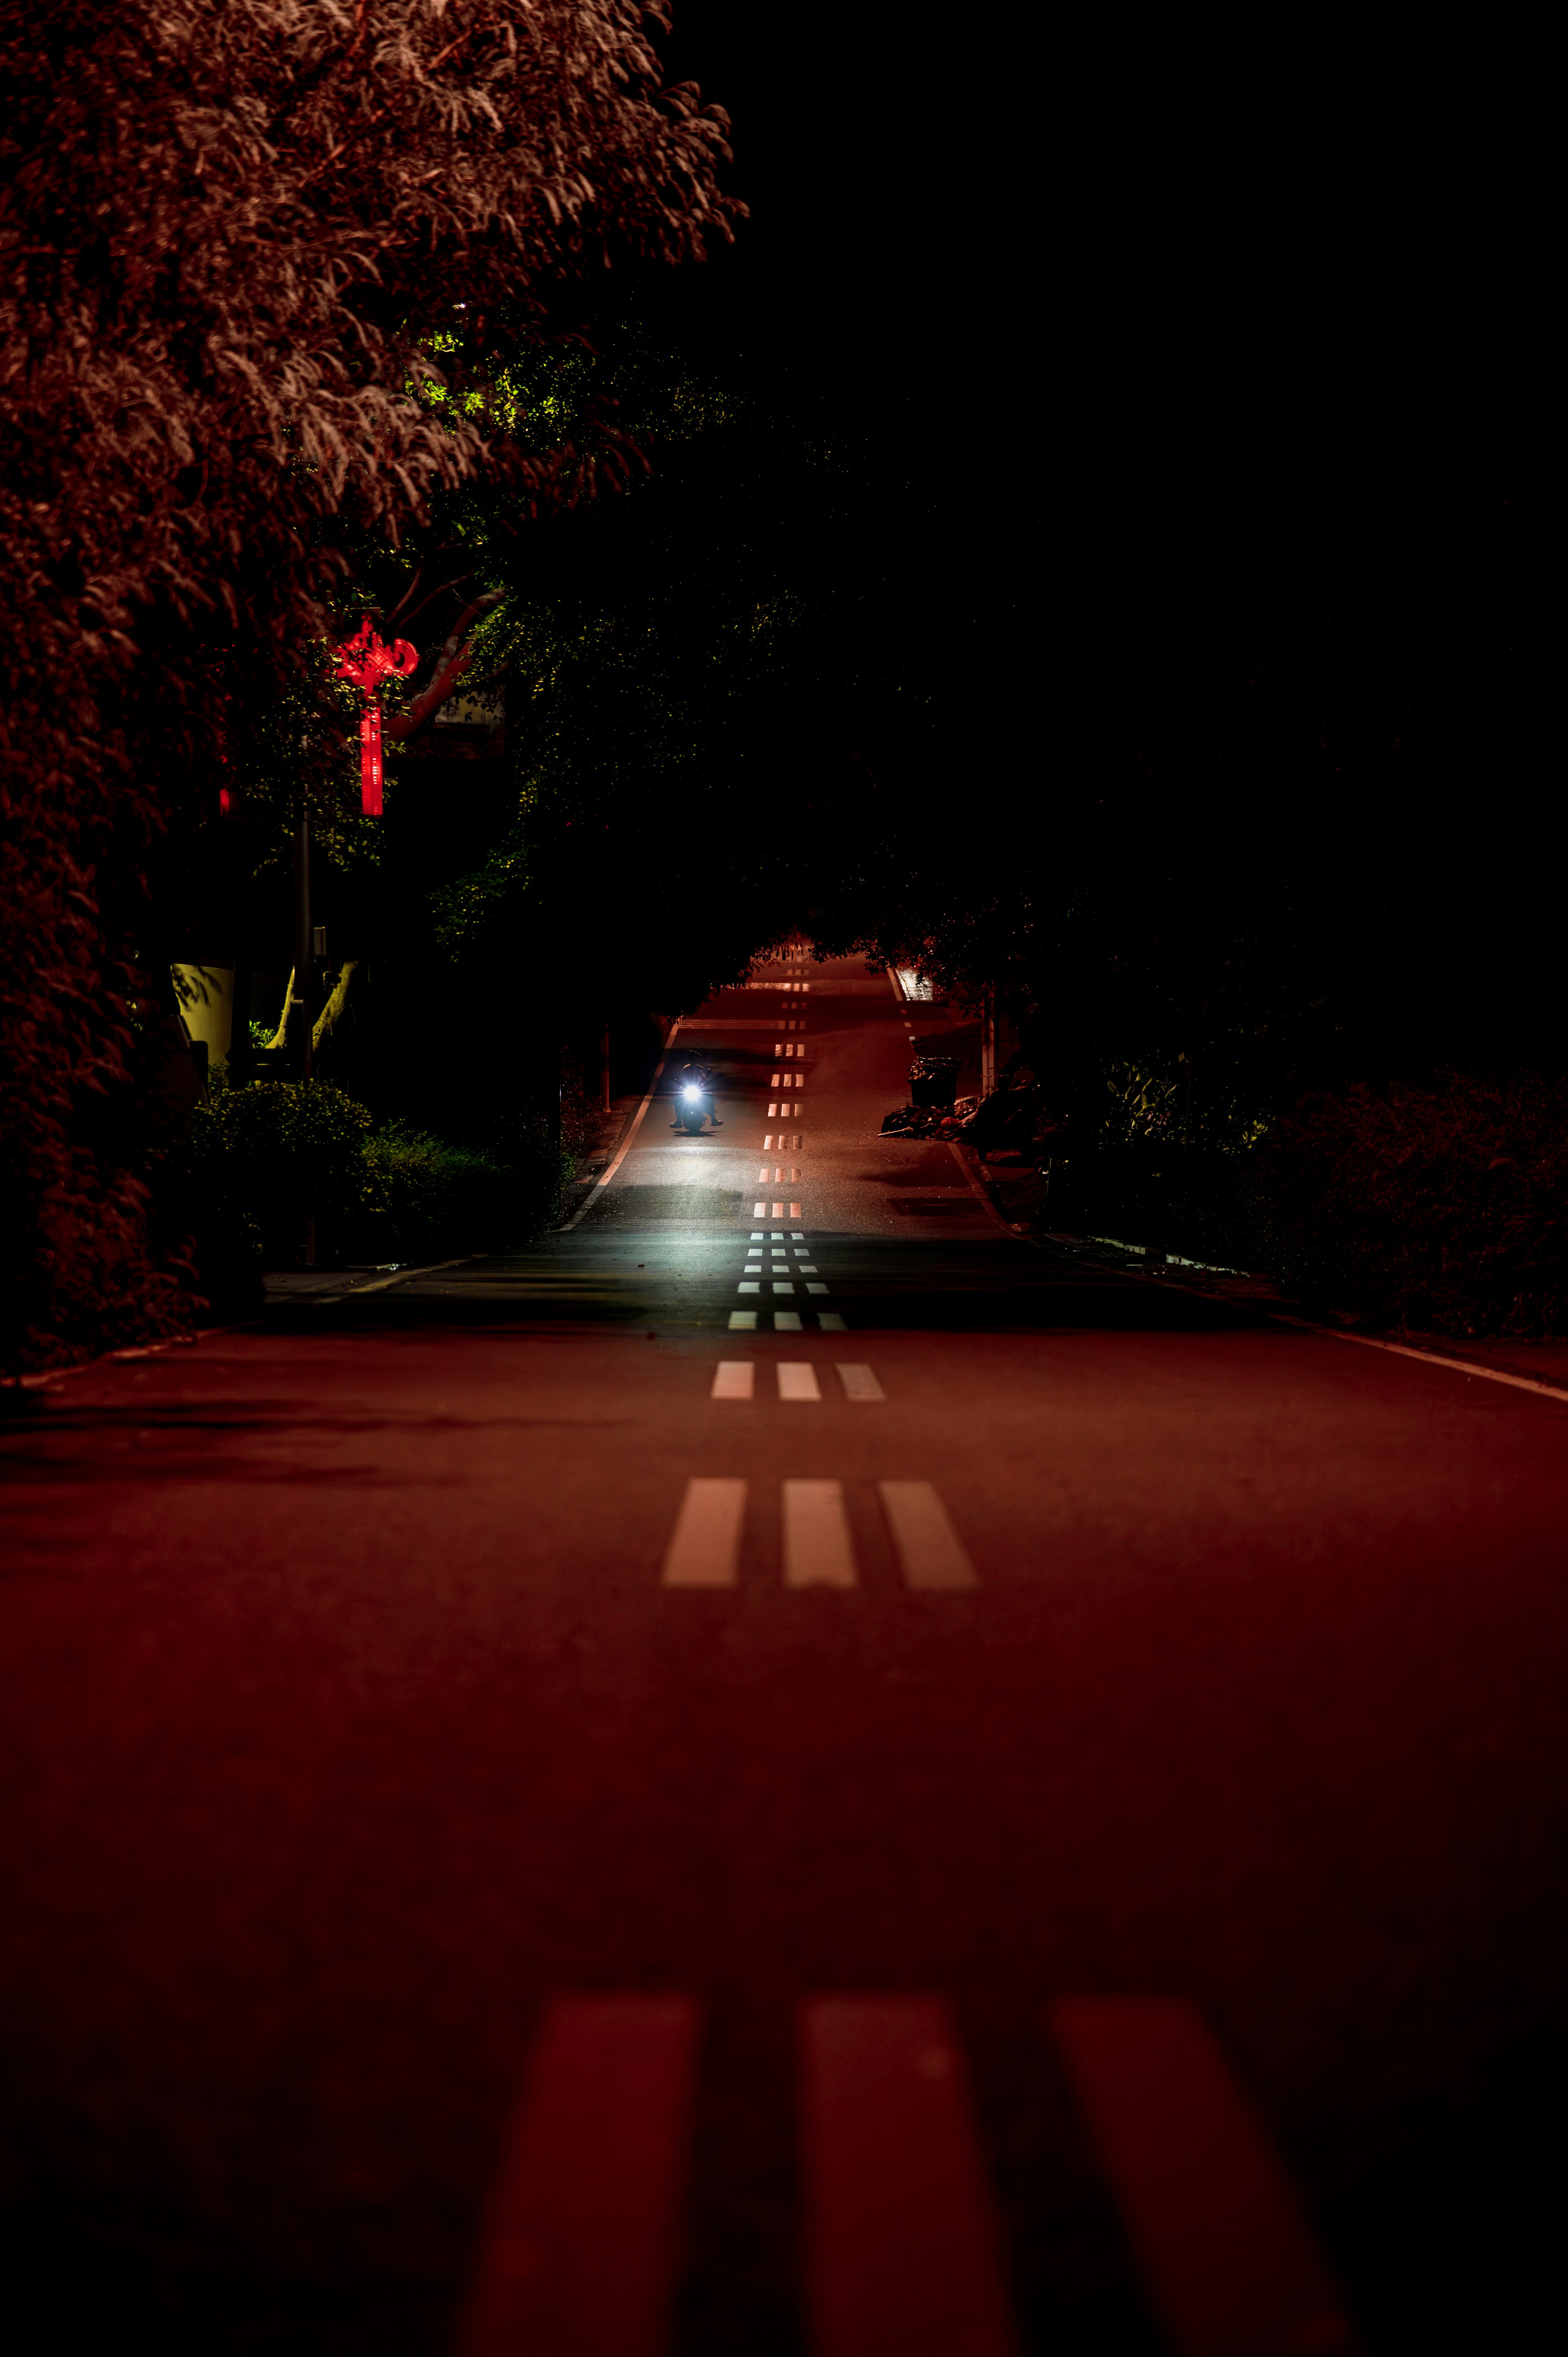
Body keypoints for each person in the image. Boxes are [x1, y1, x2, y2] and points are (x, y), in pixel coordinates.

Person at [670, 1060, 722, 1127]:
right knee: (677, 1100)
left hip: (699, 1090)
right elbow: (680, 1078)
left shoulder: (700, 1069)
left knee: (710, 1096)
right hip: (687, 1090)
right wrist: (679, 1081)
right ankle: (678, 1121)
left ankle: (714, 1119)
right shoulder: (686, 1069)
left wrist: (705, 1078)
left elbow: (705, 1077)